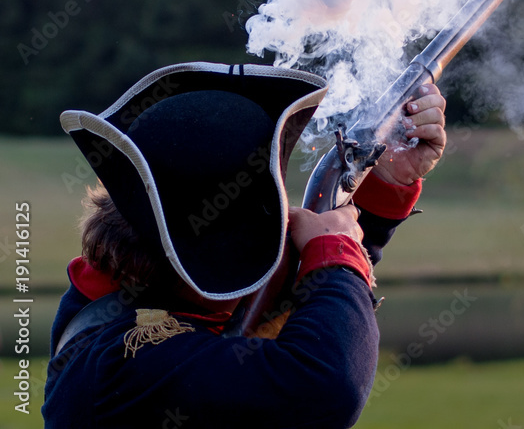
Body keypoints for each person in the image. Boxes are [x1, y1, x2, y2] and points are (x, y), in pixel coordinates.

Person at [42, 62, 446, 428]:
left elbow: (312, 303)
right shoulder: (121, 364)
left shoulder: (148, 288)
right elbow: (328, 385)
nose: (285, 218)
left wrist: (387, 179)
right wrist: (334, 251)